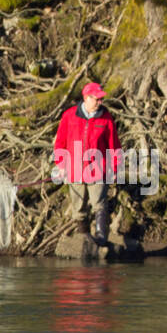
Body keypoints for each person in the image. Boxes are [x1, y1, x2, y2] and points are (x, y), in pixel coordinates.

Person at [52, 81, 121, 244]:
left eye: (101, 99)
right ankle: (83, 237)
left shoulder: (106, 117)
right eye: (96, 99)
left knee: (99, 204)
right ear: (86, 98)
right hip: (74, 169)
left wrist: (115, 168)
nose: (100, 102)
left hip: (98, 168)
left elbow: (114, 145)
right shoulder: (69, 116)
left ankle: (101, 238)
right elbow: (60, 143)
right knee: (78, 207)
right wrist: (61, 165)